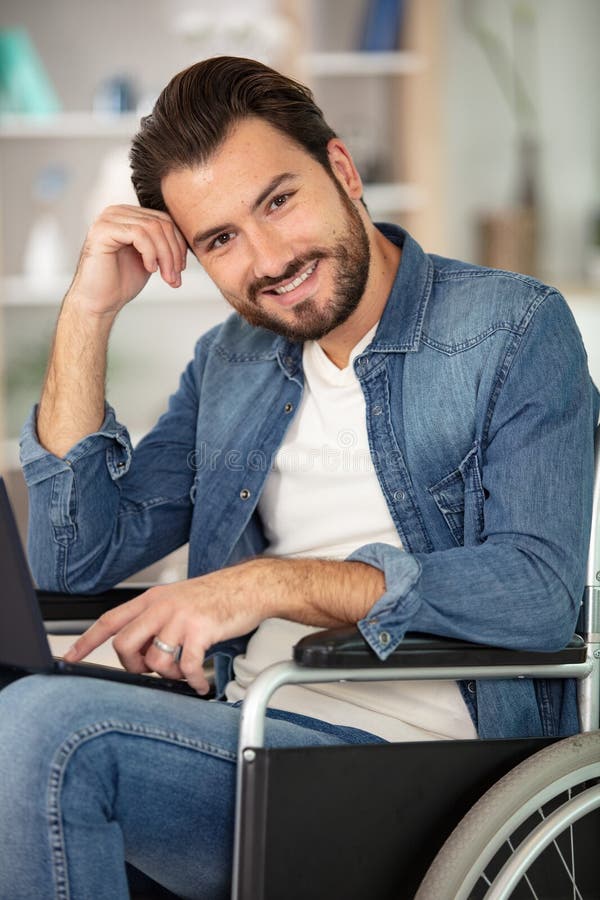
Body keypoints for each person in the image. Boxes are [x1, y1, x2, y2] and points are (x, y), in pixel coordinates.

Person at [0, 55, 598, 898]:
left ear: (342, 170)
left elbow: (536, 593)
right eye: (221, 239)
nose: (269, 258)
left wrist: (269, 585)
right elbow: (73, 563)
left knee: (41, 733)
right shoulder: (230, 361)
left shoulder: (513, 328)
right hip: (245, 735)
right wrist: (87, 313)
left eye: (277, 201)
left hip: (425, 776)